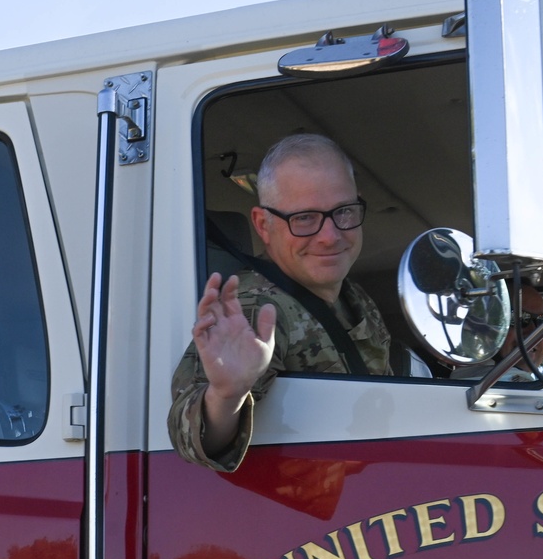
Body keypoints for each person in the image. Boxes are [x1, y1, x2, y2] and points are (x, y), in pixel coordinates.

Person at [168, 134, 394, 471]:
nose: (330, 236)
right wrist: (226, 394)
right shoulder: (255, 310)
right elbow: (190, 439)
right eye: (304, 218)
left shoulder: (354, 296)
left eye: (343, 211)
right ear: (263, 224)